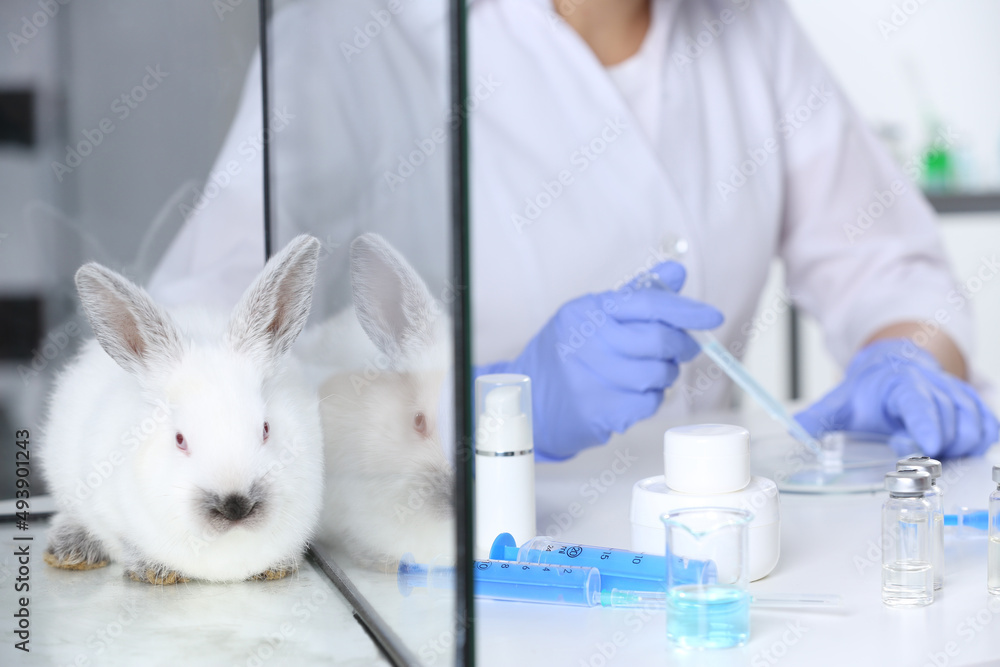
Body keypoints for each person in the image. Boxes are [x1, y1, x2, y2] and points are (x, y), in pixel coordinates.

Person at [150, 0, 998, 462]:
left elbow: (889, 267)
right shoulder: (355, 30)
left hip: (724, 576)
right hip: (442, 586)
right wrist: (496, 403)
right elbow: (195, 360)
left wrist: (908, 357)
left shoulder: (752, 27)